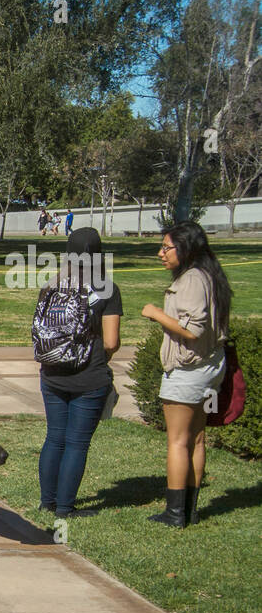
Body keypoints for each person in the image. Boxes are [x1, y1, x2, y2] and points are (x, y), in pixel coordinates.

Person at [142, 221, 232, 528]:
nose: (161, 253)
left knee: (178, 441)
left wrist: (156, 313)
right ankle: (190, 510)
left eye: (167, 247)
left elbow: (192, 331)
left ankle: (175, 513)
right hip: (209, 369)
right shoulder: (209, 275)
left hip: (188, 372)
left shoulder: (192, 279)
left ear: (186, 248)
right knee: (197, 439)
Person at [35, 227, 122, 519]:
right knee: (76, 443)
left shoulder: (51, 285)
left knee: (55, 437)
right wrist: (96, 357)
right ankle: (65, 508)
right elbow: (111, 342)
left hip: (52, 372)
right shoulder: (107, 288)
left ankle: (47, 502)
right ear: (98, 254)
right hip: (89, 377)